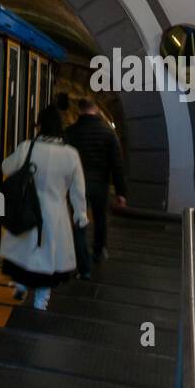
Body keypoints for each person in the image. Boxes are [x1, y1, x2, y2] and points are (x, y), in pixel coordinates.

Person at [0, 104, 88, 311]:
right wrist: (80, 215)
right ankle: (41, 302)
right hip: (55, 214)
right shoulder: (71, 155)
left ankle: (21, 284)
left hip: (27, 209)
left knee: (24, 253)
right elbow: (78, 190)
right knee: (48, 260)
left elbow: (6, 167)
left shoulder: (27, 147)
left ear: (39, 125)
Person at [65, 96, 127, 276]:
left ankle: (80, 258)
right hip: (100, 184)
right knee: (100, 220)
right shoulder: (108, 133)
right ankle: (99, 251)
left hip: (77, 185)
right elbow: (117, 164)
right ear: (97, 109)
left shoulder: (71, 132)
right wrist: (121, 192)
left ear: (79, 110)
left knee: (79, 221)